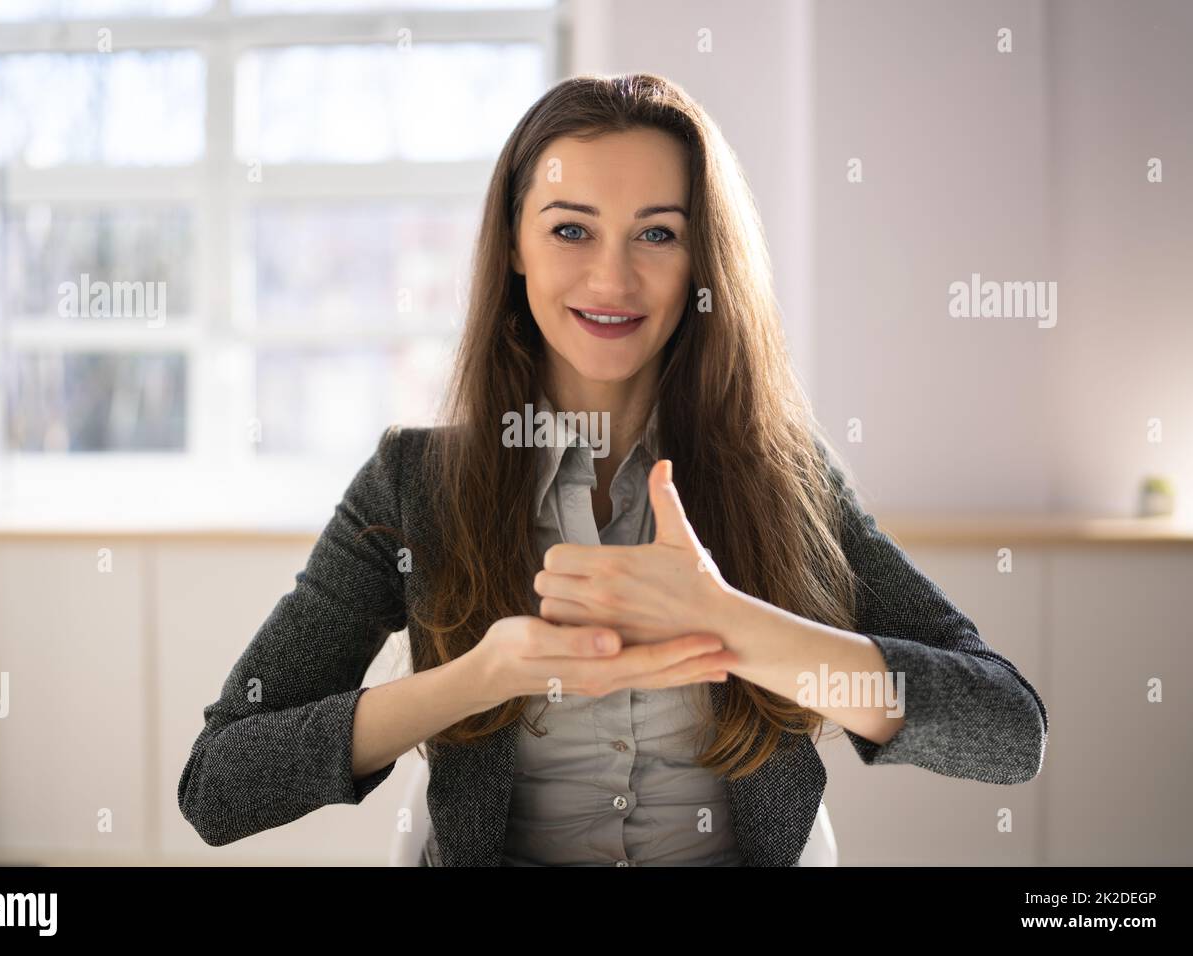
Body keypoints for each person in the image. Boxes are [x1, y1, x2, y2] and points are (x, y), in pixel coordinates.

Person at [177, 72, 1048, 867]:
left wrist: (733, 624)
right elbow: (219, 786)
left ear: (701, 259)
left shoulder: (784, 474)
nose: (612, 277)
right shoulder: (415, 485)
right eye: (570, 229)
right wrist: (481, 678)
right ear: (515, 245)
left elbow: (1007, 730)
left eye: (658, 234)